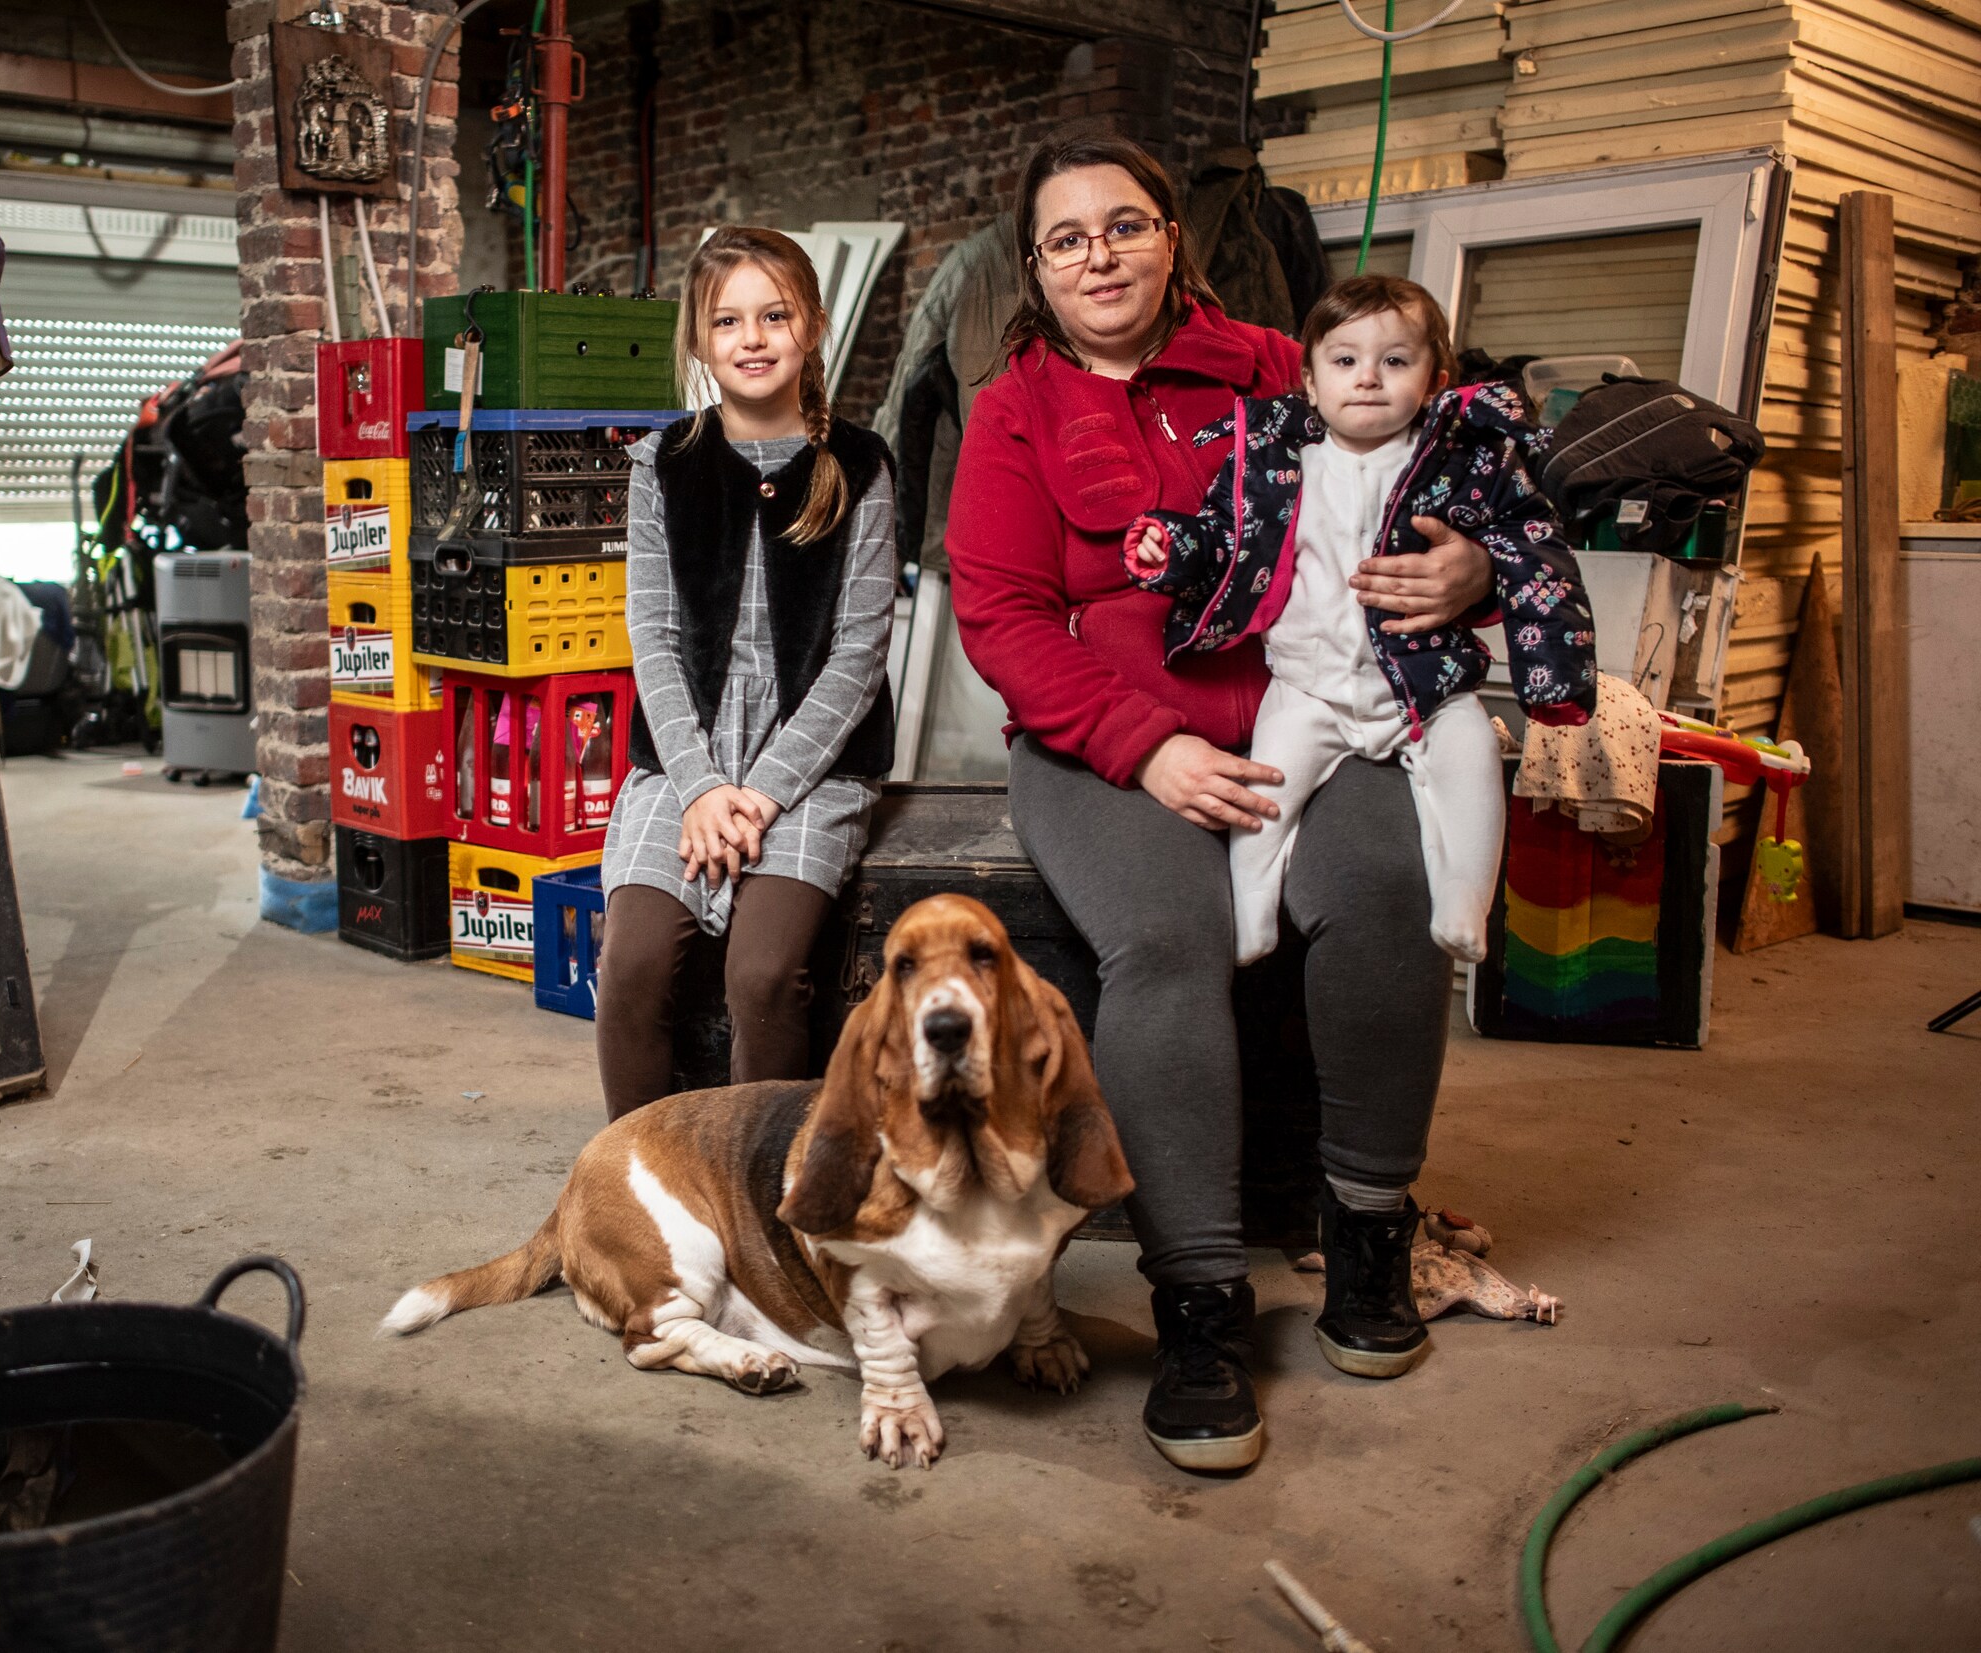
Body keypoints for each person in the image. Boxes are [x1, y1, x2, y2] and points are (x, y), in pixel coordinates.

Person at [946, 135, 1501, 1473]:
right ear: (1035, 265)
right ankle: (1198, 1304)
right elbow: (1003, 617)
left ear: (1169, 238)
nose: (1101, 255)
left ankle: (1370, 1230)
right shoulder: (1015, 409)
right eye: (1067, 237)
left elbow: (1451, 447)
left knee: (1382, 892)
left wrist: (1470, 564)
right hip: (1103, 743)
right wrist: (1144, 750)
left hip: (1307, 709)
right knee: (1167, 941)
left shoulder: (1273, 362)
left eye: (1124, 225)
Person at [1122, 275, 1598, 967]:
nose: (1368, 379)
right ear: (1310, 383)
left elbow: (1534, 538)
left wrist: (1543, 655)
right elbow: (1223, 538)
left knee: (1472, 768)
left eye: (1394, 362)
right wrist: (1172, 547)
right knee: (1263, 794)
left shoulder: (1462, 463)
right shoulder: (1274, 461)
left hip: (1426, 686)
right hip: (1306, 689)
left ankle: (1466, 902)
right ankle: (1251, 916)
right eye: (1345, 361)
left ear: (1433, 382)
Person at [593, 227, 897, 1121]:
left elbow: (858, 654)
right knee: (633, 965)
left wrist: (759, 795)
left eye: (775, 315)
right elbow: (649, 636)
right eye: (727, 320)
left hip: (809, 769)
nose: (752, 337)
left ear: (813, 327)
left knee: (764, 975)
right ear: (698, 340)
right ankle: (641, 1181)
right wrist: (698, 787)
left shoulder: (860, 464)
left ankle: (764, 1199)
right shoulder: (663, 464)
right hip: (681, 762)